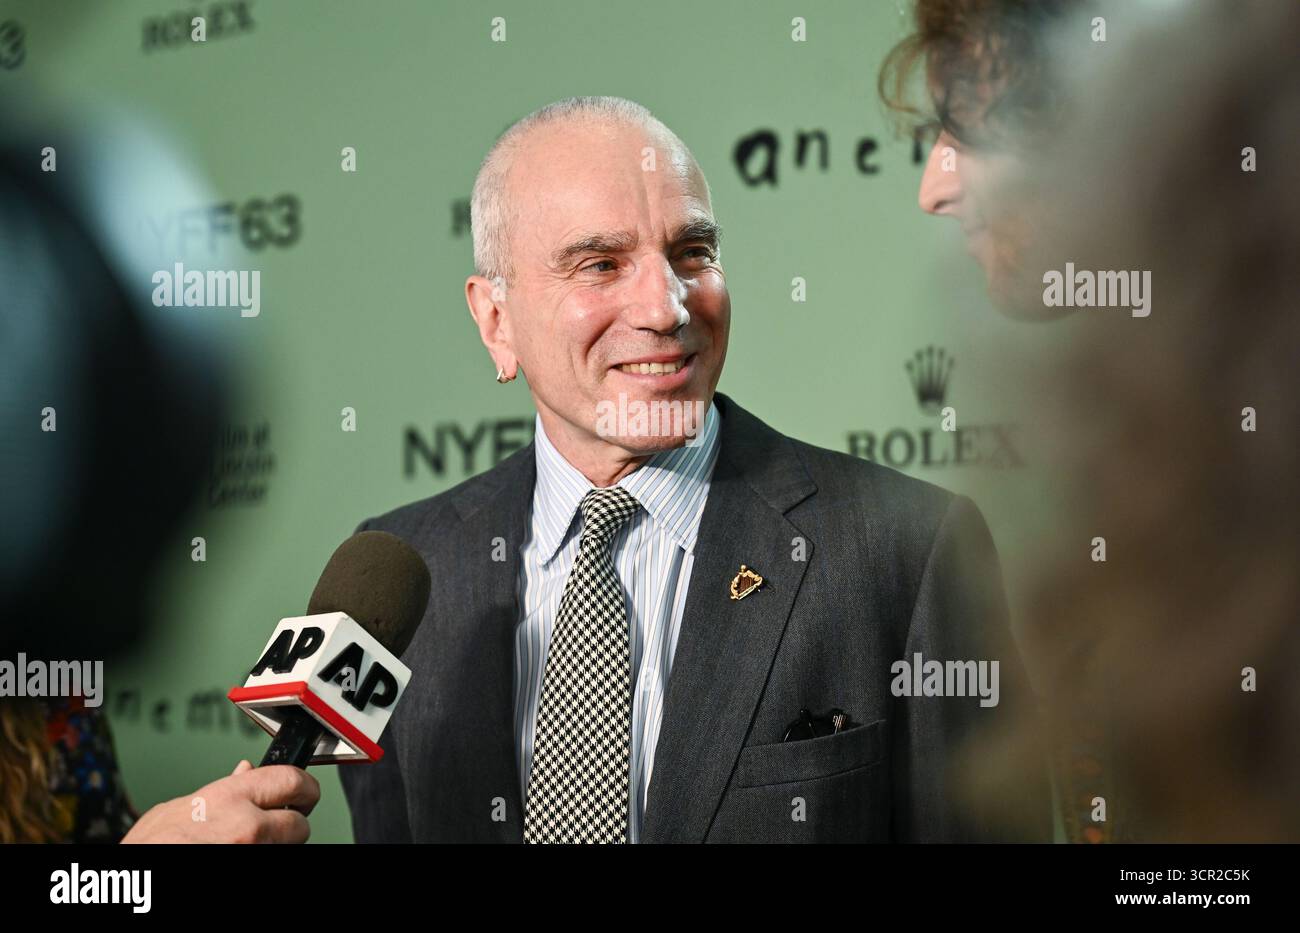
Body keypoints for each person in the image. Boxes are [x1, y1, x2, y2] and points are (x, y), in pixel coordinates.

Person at [339, 96, 1050, 843]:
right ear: (496, 320)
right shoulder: (402, 576)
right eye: (601, 263)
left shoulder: (906, 548)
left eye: (692, 254)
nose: (666, 304)